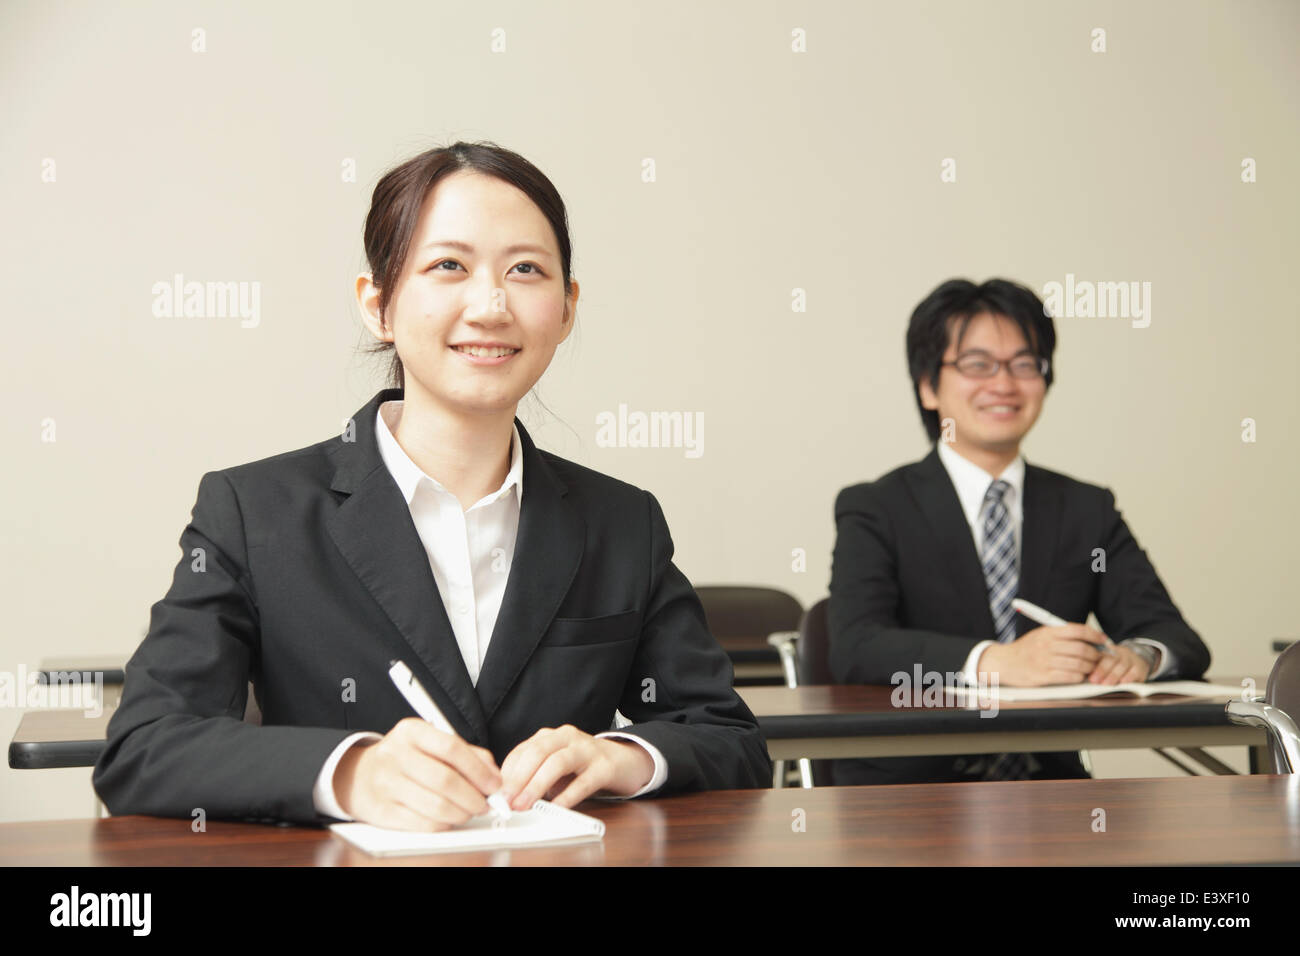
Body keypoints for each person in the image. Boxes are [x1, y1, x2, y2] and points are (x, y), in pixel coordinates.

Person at [94, 142, 770, 829]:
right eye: (449, 266)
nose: (491, 305)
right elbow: (145, 747)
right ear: (378, 303)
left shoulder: (624, 522)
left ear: (566, 309)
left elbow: (729, 737)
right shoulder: (254, 512)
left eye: (527, 270)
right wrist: (350, 773)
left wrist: (623, 757)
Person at [827, 277, 1210, 785]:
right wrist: (996, 661)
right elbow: (857, 645)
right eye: (977, 364)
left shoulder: (1086, 508)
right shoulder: (876, 507)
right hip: (911, 793)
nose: (1004, 384)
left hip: (1051, 791)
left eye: (1025, 364)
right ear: (927, 385)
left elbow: (1175, 636)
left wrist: (1138, 657)